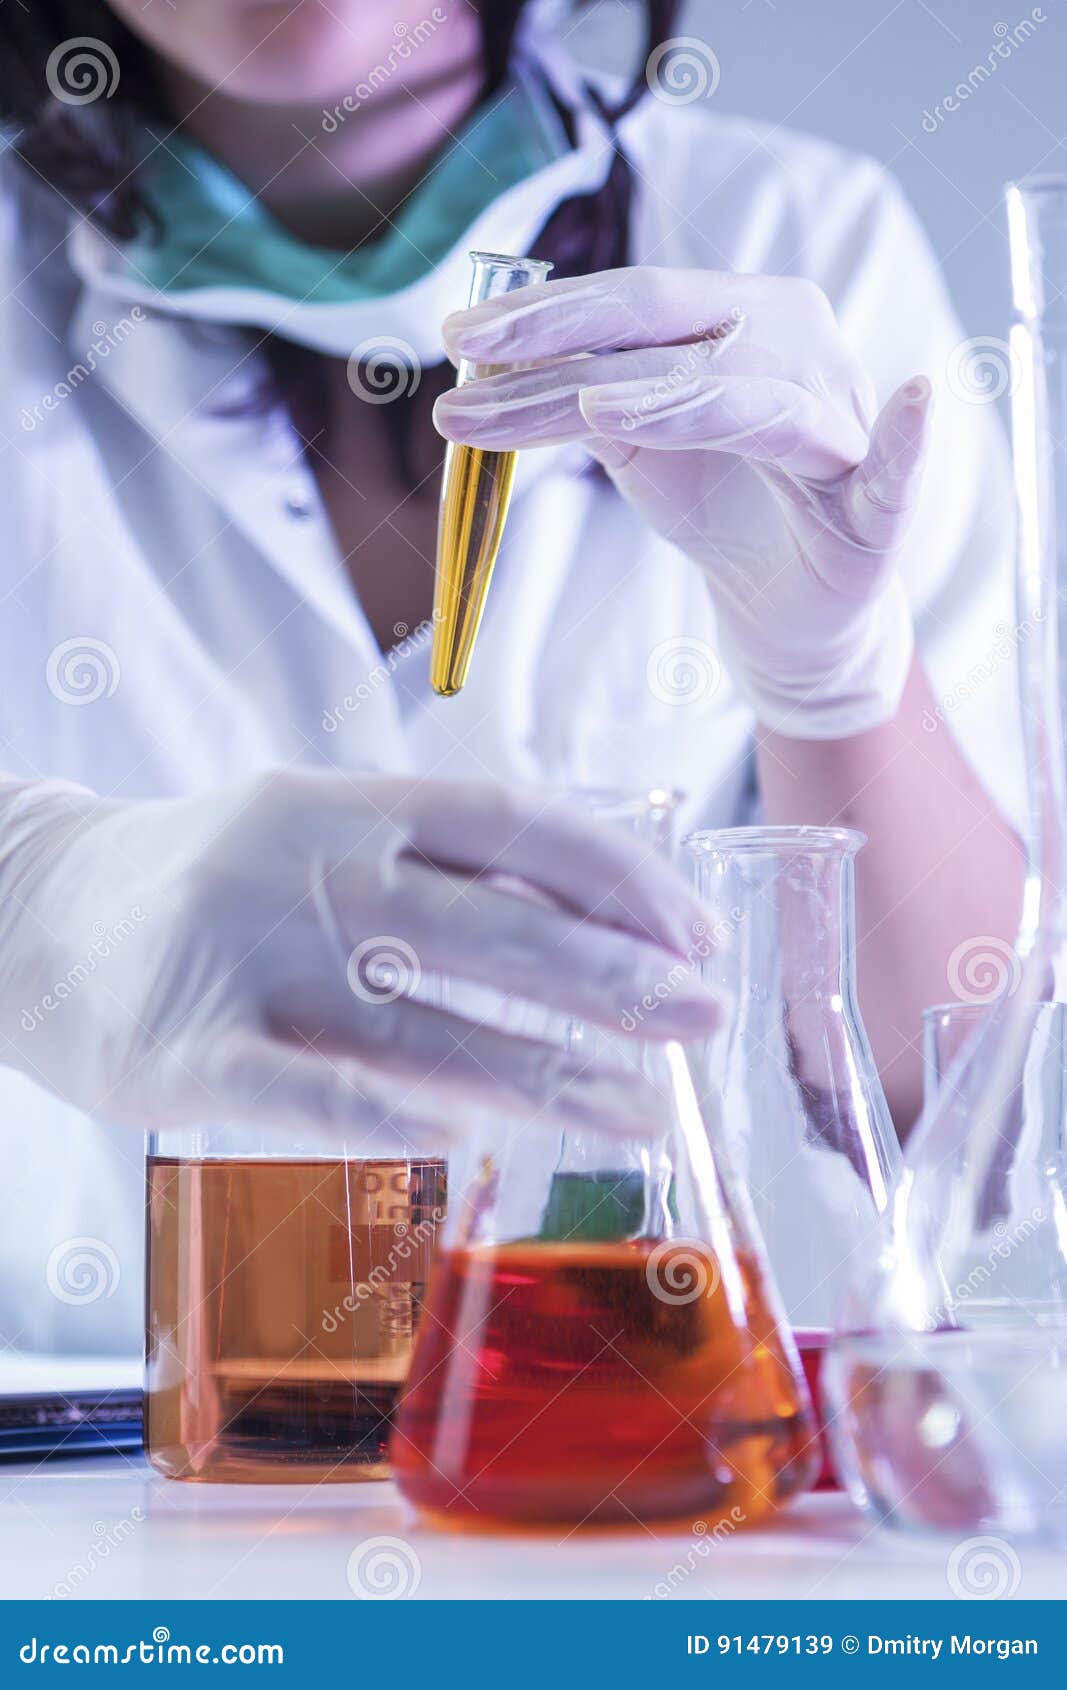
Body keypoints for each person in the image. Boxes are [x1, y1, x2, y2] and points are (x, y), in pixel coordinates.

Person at [0, 0, 1024, 1355]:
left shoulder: (795, 242)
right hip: (83, 1481)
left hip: (651, 1446)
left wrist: (836, 684)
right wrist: (34, 896)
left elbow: (976, 1106)